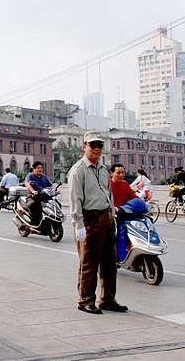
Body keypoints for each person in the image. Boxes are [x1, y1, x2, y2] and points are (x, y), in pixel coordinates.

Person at [68, 131, 126, 315]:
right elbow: (75, 198)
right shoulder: (78, 170)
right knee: (89, 262)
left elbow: (108, 195)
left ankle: (108, 299)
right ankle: (86, 300)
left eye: (100, 145)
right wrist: (78, 225)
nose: (97, 149)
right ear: (84, 146)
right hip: (89, 218)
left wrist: (112, 218)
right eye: (93, 145)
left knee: (109, 262)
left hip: (106, 218)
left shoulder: (102, 170)